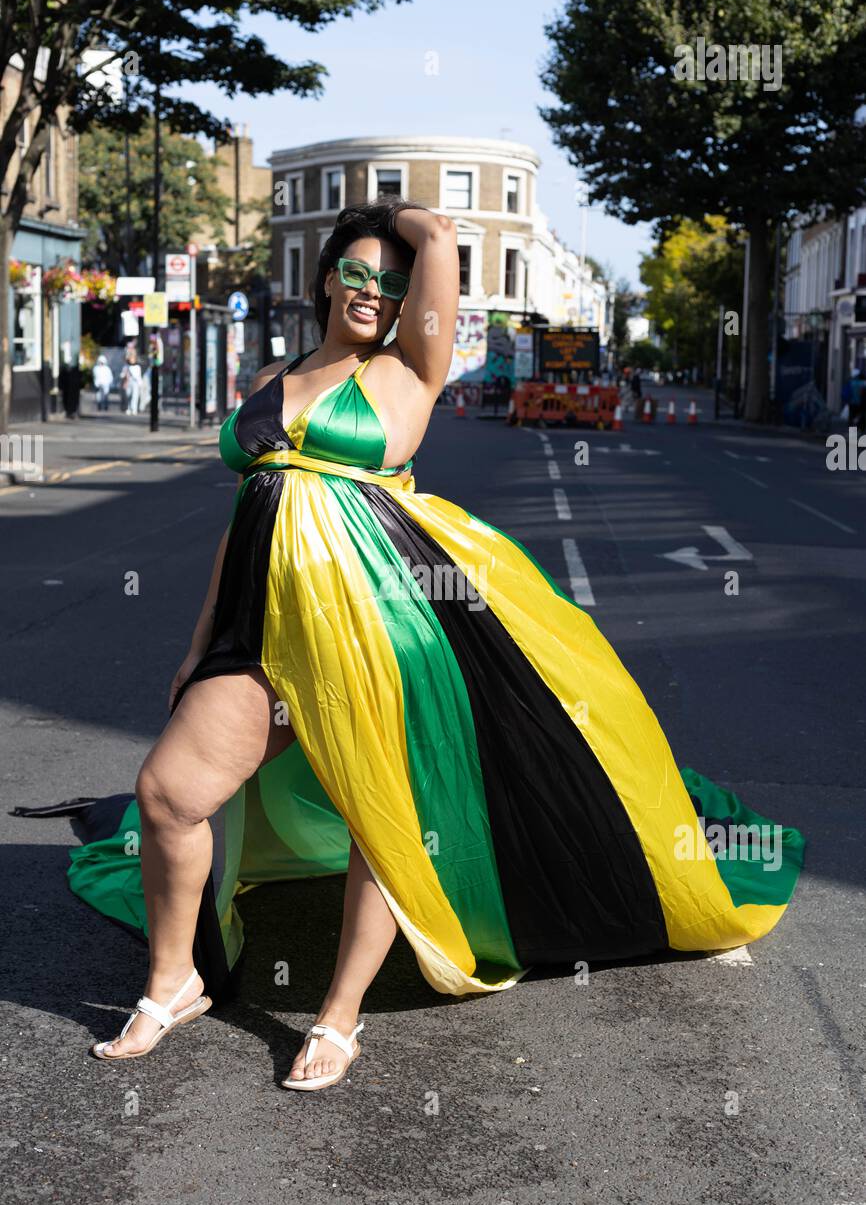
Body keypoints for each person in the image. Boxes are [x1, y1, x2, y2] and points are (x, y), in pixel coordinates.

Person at [86, 199, 803, 1090]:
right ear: (323, 277)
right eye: (355, 270)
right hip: (262, 632)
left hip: (373, 632)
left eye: (389, 282)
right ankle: (175, 980)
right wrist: (198, 645)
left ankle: (339, 1016)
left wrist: (394, 219)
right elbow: (250, 512)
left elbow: (436, 239)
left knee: (381, 820)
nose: (372, 289)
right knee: (167, 793)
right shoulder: (275, 374)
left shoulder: (411, 369)